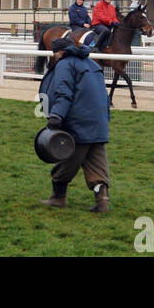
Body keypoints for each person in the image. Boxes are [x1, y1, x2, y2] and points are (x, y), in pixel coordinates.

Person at [38, 37, 110, 213]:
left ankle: (57, 198)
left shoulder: (64, 65)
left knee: (66, 160)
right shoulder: (91, 64)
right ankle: (103, 201)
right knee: (96, 164)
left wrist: (56, 116)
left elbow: (64, 93)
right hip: (99, 122)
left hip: (78, 123)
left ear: (59, 52)